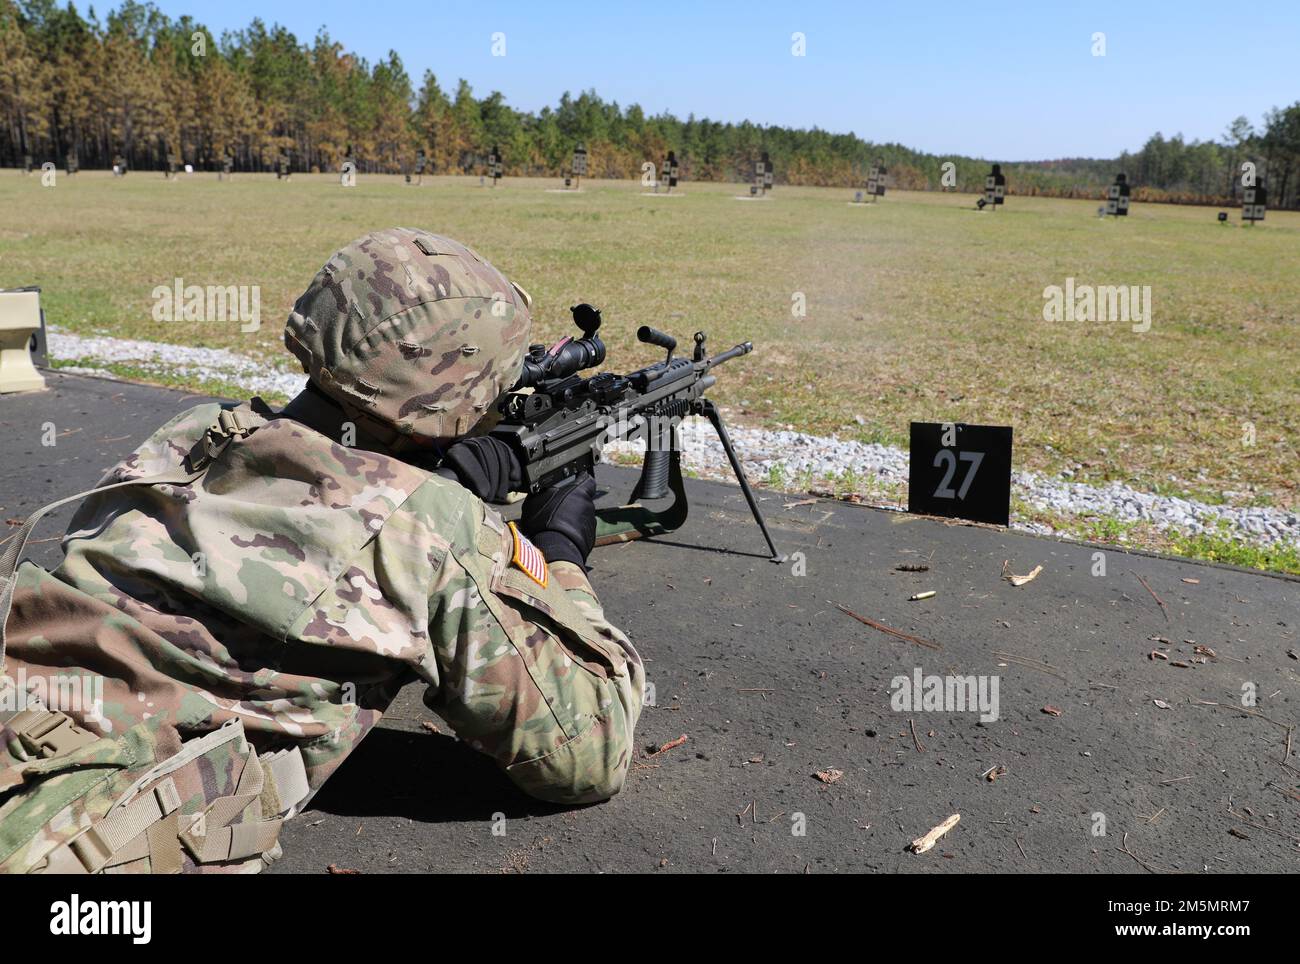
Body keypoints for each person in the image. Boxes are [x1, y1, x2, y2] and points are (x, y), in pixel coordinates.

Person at [0, 228, 644, 874]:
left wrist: (427, 478)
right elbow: (590, 747)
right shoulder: (425, 536)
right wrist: (559, 552)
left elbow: (307, 490)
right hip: (71, 840)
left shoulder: (194, 434)